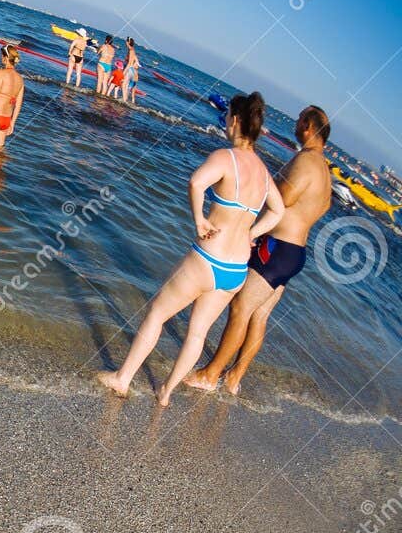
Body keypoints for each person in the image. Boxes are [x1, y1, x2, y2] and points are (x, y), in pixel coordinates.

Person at [97, 93, 283, 405]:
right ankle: (166, 392)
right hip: (236, 269)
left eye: (227, 118)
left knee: (157, 313)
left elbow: (196, 182)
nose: (224, 123)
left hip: (208, 258)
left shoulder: (227, 157)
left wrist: (199, 219)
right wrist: (252, 231)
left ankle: (123, 378)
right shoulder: (264, 174)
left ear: (235, 120)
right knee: (197, 333)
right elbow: (278, 212)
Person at [185, 105, 333, 396]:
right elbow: (319, 206)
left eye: (298, 118)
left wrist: (257, 179)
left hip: (276, 248)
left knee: (240, 308)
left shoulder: (306, 161)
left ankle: (210, 374)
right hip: (294, 253)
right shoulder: (325, 171)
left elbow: (283, 197)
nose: (295, 123)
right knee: (259, 315)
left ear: (307, 125)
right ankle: (234, 377)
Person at [121, 38, 141, 104]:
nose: (125, 42)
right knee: (126, 86)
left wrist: (124, 72)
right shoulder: (131, 50)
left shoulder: (131, 50)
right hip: (132, 70)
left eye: (126, 41)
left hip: (130, 70)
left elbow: (129, 63)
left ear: (128, 42)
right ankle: (125, 100)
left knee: (124, 85)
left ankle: (124, 102)